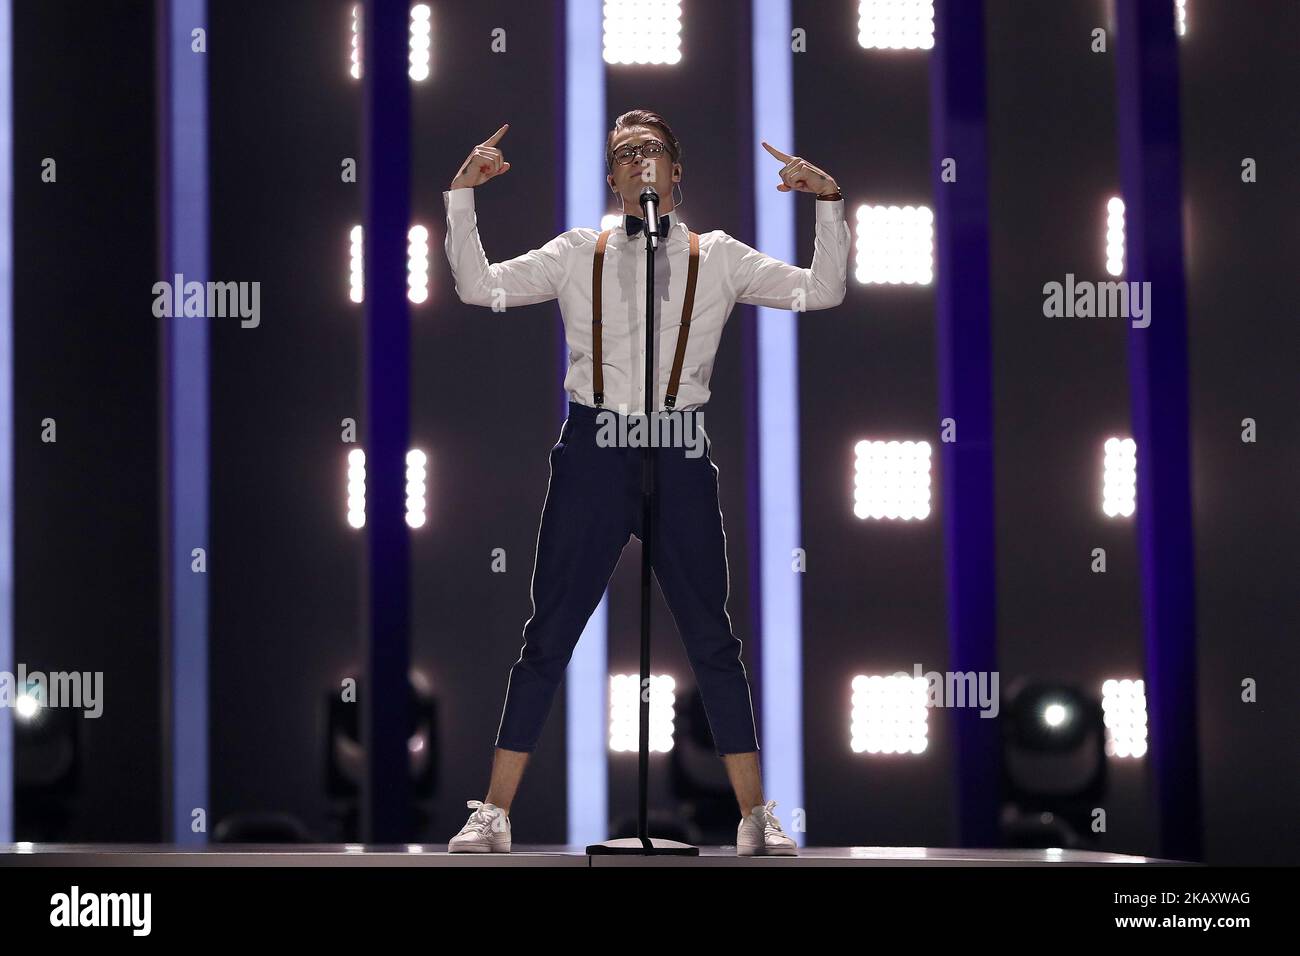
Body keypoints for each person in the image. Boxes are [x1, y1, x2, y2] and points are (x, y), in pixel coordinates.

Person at [442, 109, 849, 855]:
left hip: (680, 448)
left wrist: (829, 205)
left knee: (713, 639)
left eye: (653, 149)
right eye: (627, 152)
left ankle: (755, 816)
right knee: (549, 634)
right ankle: (493, 813)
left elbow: (820, 292)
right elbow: (479, 288)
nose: (641, 161)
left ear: (676, 169)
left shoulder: (717, 255)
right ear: (612, 176)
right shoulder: (576, 251)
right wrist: (462, 198)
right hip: (595, 448)